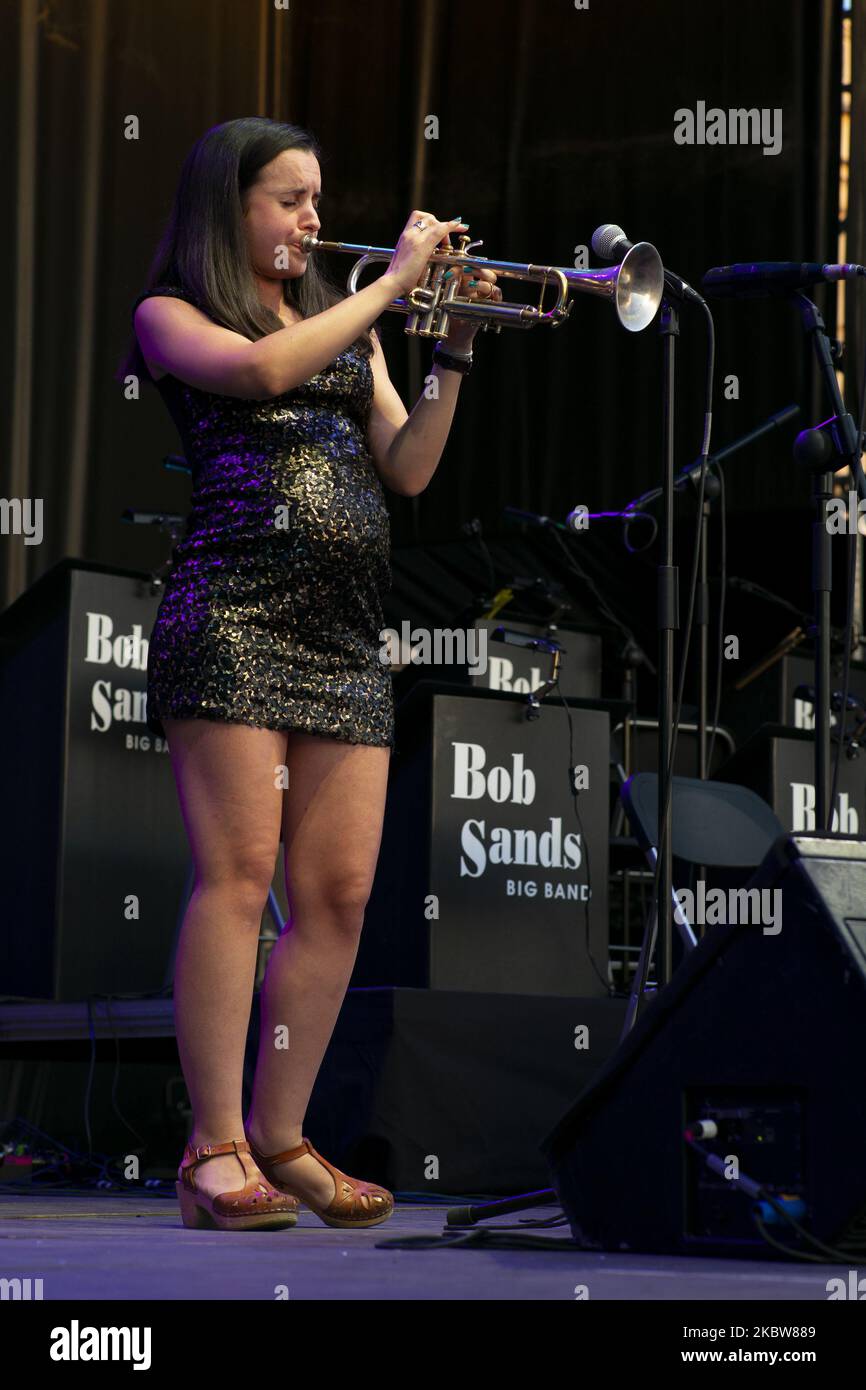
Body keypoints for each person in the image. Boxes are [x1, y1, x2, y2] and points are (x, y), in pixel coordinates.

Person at [123, 116, 500, 1230]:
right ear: (227, 207)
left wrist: (456, 348)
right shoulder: (173, 315)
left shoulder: (349, 323)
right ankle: (212, 1147)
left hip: (342, 638)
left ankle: (282, 1136)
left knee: (334, 897)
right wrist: (387, 288)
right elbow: (259, 370)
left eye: (317, 201)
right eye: (289, 200)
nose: (312, 220)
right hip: (233, 618)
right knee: (238, 881)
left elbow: (409, 468)